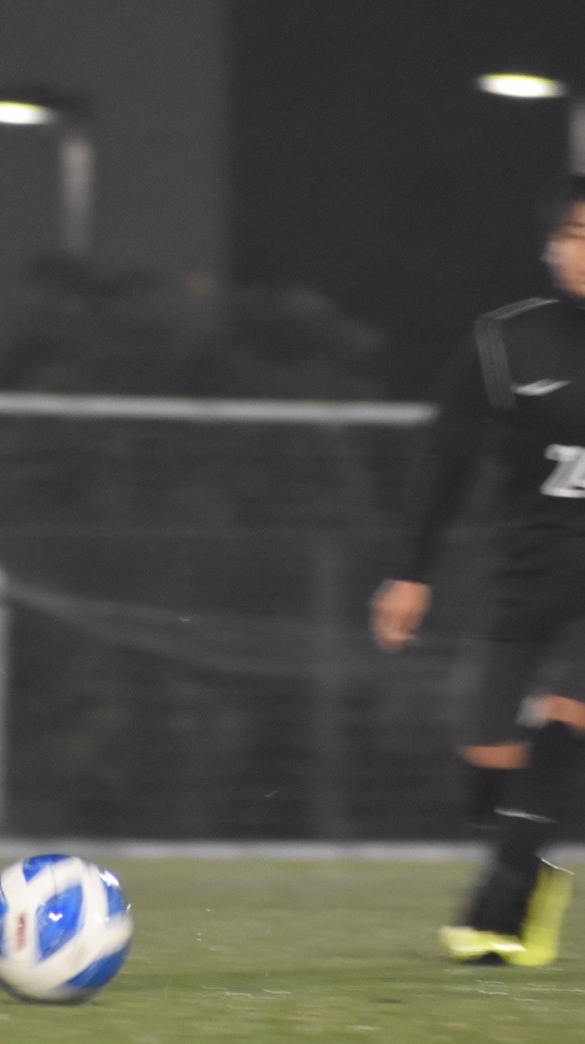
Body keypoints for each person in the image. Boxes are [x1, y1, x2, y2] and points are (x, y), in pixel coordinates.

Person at [371, 174, 585, 967]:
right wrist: (409, 572)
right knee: (490, 762)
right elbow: (445, 459)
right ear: (551, 246)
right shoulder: (506, 341)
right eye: (575, 234)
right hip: (528, 573)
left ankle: (498, 912)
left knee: (569, 720)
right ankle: (528, 868)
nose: (584, 251)